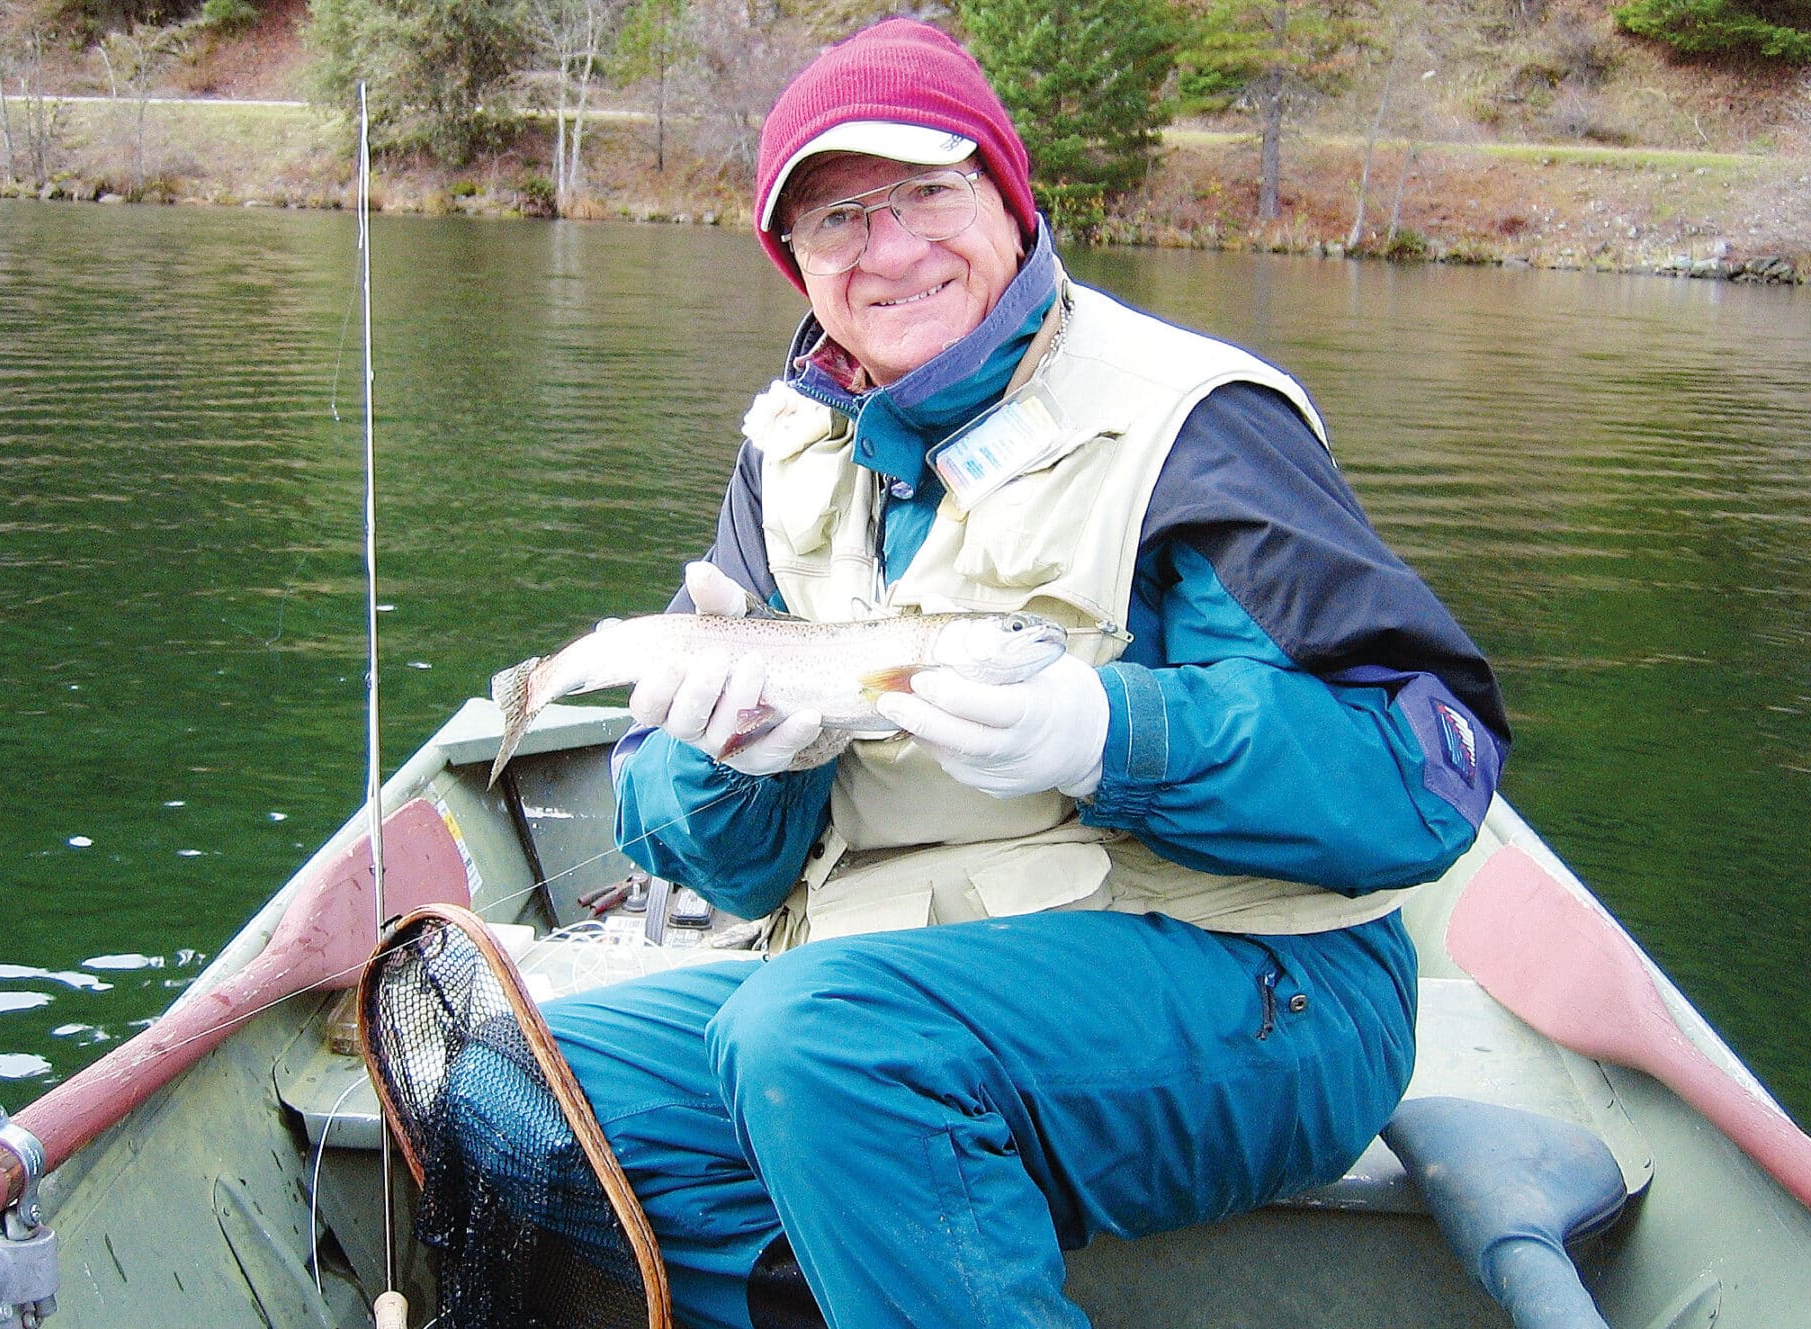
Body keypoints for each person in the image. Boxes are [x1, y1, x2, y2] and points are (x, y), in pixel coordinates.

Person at [541, 18, 1509, 1329]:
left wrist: (1112, 737)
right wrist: (724, 774)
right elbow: (727, 868)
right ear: (797, 263)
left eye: (925, 193)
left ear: (1007, 192)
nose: (889, 250)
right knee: (528, 1084)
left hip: (1268, 989)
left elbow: (1421, 777)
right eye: (838, 221)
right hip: (898, 987)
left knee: (821, 1036)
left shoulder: (1193, 424)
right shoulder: (789, 458)